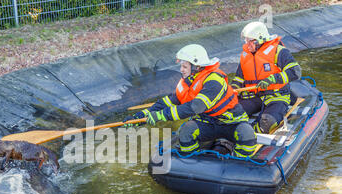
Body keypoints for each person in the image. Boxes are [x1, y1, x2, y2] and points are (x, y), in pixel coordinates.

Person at [122, 44, 257, 158]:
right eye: (181, 66)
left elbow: (195, 107)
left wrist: (162, 115)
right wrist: (140, 116)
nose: (181, 70)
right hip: (208, 124)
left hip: (231, 123)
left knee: (246, 133)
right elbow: (166, 103)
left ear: (196, 66)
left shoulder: (214, 81)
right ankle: (192, 161)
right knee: (187, 130)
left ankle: (237, 163)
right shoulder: (188, 82)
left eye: (184, 66)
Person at [231, 21, 302, 133]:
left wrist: (272, 79)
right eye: (246, 41)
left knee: (267, 123)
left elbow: (295, 71)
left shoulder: (278, 51)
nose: (247, 44)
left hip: (276, 95)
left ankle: (250, 134)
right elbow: (239, 78)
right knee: (230, 115)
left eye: (250, 41)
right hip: (253, 96)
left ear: (260, 40)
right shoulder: (246, 55)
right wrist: (232, 89)